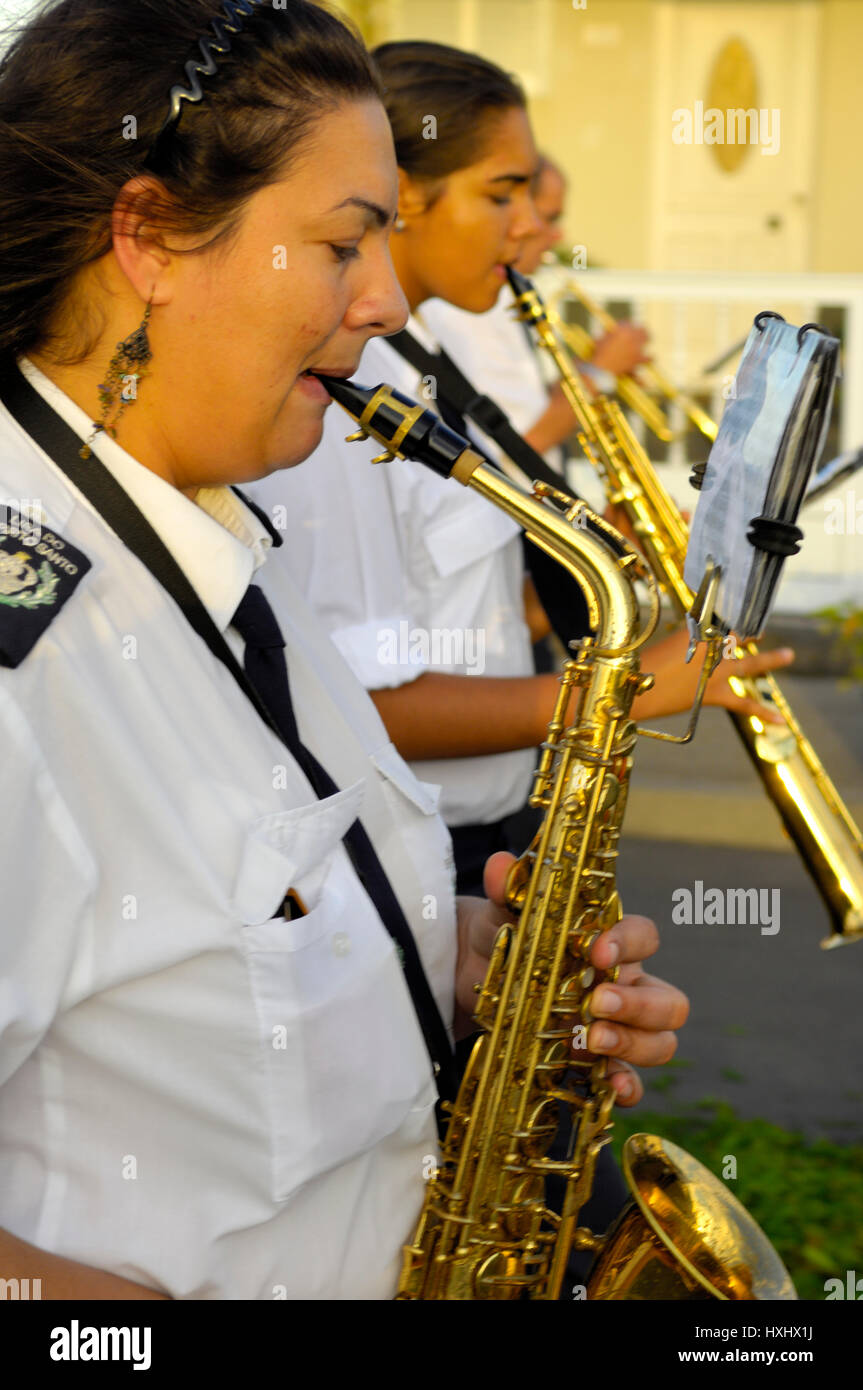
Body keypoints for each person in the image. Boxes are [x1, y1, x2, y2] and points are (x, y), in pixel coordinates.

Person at [0, 0, 689, 1301]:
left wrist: (453, 955)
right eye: (339, 244)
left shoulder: (226, 538)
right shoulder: (22, 661)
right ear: (146, 236)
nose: (383, 304)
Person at [249, 40, 794, 898]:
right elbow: (360, 700)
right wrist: (631, 690)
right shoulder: (352, 392)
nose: (526, 223)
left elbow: (449, 606)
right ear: (404, 195)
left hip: (488, 833)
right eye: (500, 192)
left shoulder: (417, 361)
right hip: (420, 856)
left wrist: (606, 569)